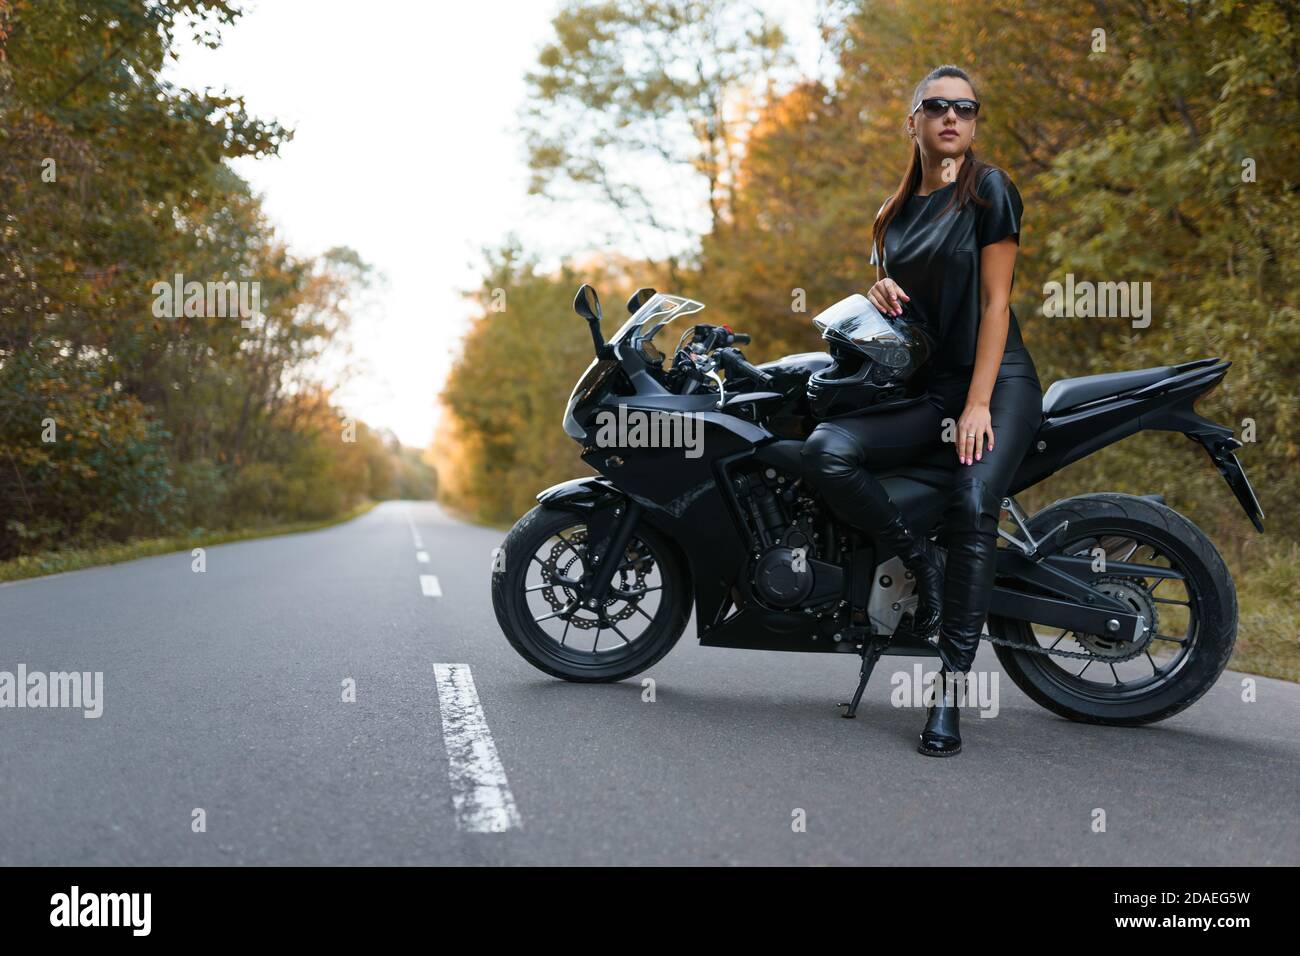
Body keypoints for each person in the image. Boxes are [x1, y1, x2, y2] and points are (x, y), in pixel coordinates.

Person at [801, 64, 1043, 757]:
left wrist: (976, 404)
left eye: (966, 109)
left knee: (973, 508)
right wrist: (877, 288)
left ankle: (950, 696)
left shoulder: (989, 192)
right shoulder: (891, 216)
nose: (952, 118)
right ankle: (922, 567)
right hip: (930, 392)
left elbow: (996, 304)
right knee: (826, 450)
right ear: (912, 121)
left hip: (999, 383)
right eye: (937, 106)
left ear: (973, 123)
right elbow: (905, 317)